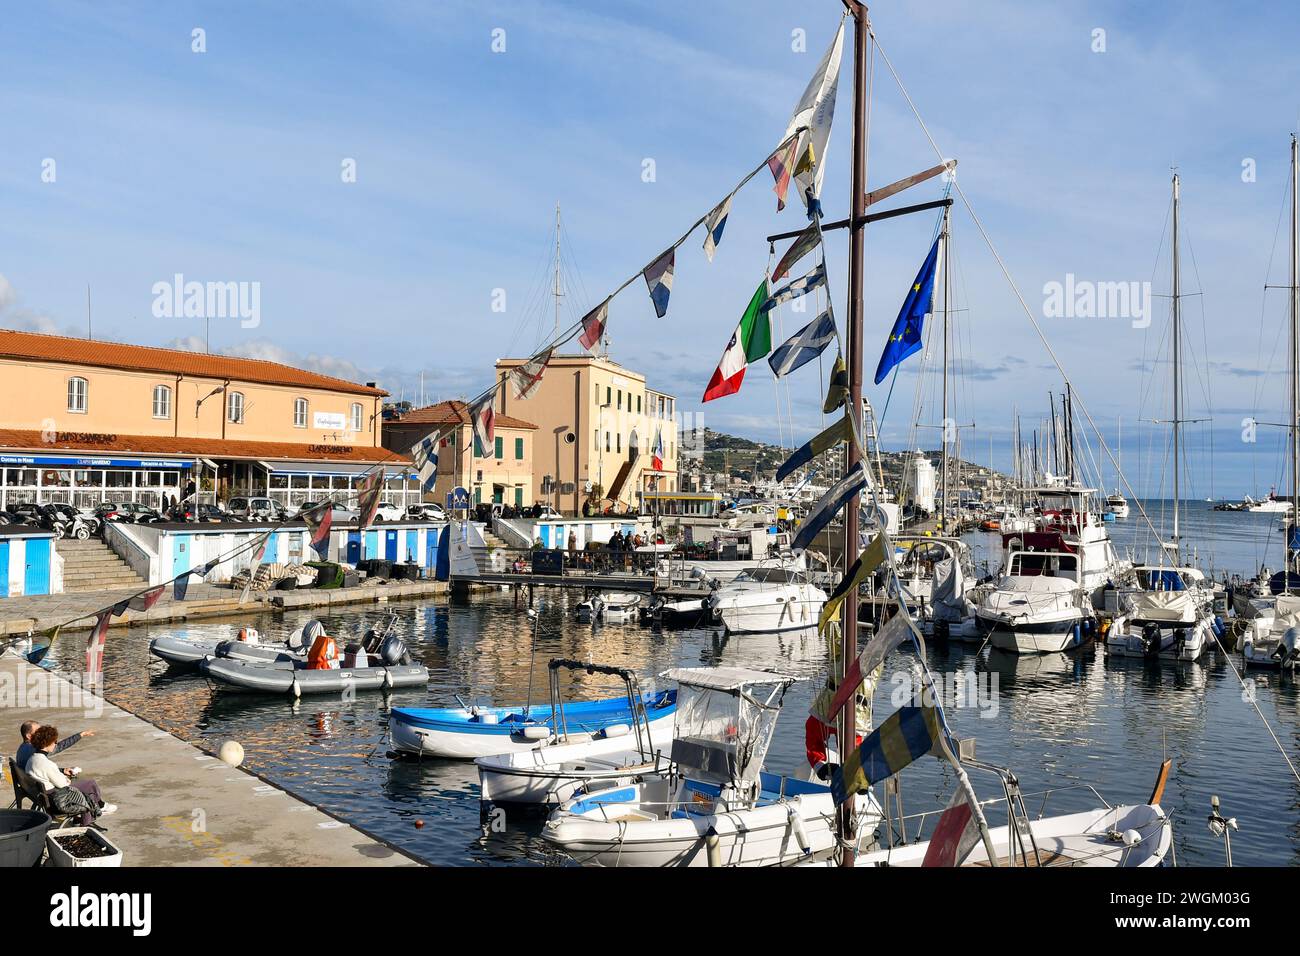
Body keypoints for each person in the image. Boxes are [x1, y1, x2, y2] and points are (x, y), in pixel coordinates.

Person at [25, 725, 116, 824]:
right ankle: (96, 811)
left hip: (45, 794)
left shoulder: (32, 759)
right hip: (55, 797)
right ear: (47, 743)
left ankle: (91, 814)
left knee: (86, 788)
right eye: (54, 742)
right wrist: (67, 779)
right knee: (90, 784)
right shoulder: (46, 763)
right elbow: (62, 784)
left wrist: (63, 774)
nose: (56, 744)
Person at [15, 721, 94, 770]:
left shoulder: (21, 748)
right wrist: (80, 735)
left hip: (30, 785)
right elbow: (60, 746)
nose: (41, 733)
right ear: (29, 736)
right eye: (38, 731)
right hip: (39, 789)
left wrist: (62, 770)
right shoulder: (36, 750)